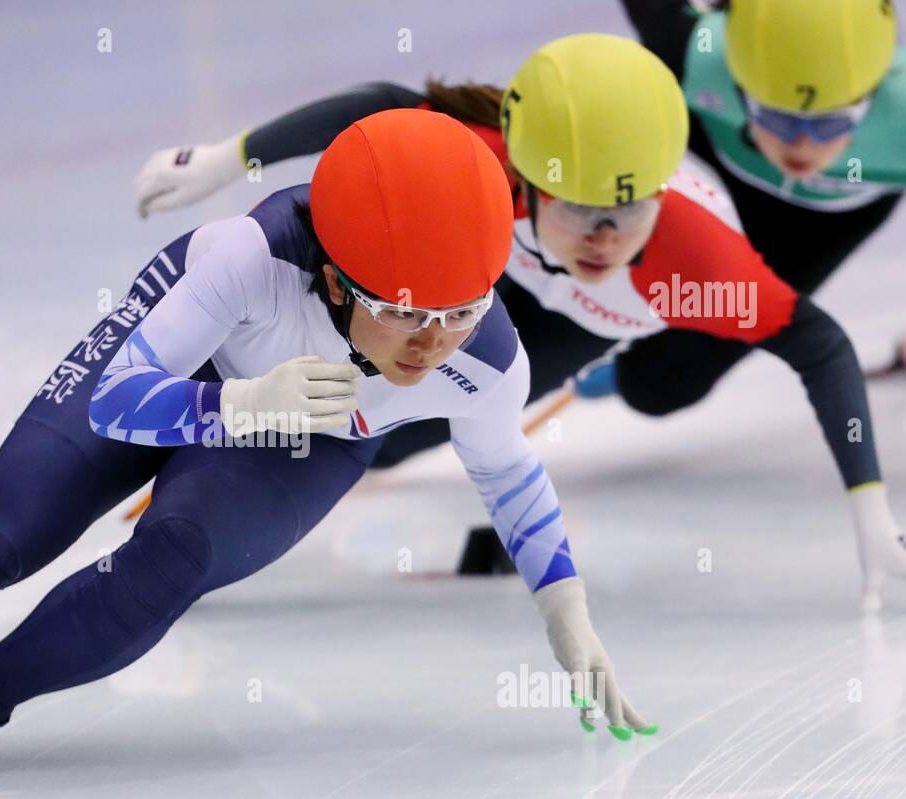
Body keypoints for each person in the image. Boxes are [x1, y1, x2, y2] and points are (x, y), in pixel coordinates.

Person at [0, 109, 651, 791]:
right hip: (196, 369)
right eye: (404, 313)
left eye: (458, 308)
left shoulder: (483, 358)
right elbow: (126, 400)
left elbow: (511, 478)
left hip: (304, 431)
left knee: (172, 557)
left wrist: (565, 611)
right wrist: (238, 405)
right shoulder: (243, 261)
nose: (432, 341)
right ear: (339, 281)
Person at [131, 32, 906, 611]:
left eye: (626, 213)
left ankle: (198, 522)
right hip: (498, 260)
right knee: (330, 347)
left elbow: (821, 347)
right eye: (579, 208)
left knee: (388, 432)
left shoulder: (696, 265)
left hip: (580, 320)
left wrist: (868, 504)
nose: (602, 238)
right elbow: (378, 113)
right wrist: (225, 159)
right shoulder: (492, 158)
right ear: (532, 178)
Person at [614, 0, 906, 383]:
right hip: (717, 175)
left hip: (832, 217)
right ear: (737, 79)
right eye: (777, 117)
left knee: (658, 382)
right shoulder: (689, 50)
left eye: (831, 124)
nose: (802, 145)